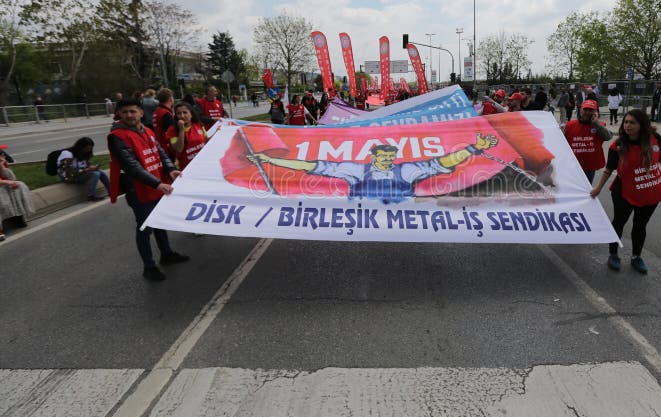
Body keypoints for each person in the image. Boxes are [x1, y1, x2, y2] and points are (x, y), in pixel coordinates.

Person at [247, 133, 499, 204]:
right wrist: (269, 160)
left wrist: (472, 149)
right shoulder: (355, 170)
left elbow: (441, 163)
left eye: (391, 156)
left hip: (403, 219)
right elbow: (309, 165)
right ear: (373, 156)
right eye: (383, 156)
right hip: (360, 217)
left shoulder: (406, 170)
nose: (388, 159)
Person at [107, 98, 189, 281]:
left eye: (133, 111)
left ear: (141, 113)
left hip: (156, 185)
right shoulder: (117, 137)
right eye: (125, 112)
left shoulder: (148, 131)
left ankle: (166, 254)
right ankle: (149, 266)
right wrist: (157, 183)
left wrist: (170, 169)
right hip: (139, 190)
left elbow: (160, 153)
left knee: (160, 221)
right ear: (119, 114)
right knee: (145, 228)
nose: (129, 115)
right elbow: (132, 167)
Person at [590, 109, 661, 274]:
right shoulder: (618, 145)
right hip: (623, 191)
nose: (628, 126)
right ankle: (613, 254)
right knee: (619, 222)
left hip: (649, 190)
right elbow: (608, 169)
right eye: (626, 122)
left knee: (640, 225)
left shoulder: (655, 139)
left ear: (642, 125)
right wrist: (598, 188)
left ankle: (636, 257)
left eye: (632, 123)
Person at [564, 100, 613, 184]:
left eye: (590, 110)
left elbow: (608, 137)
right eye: (585, 109)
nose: (587, 112)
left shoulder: (599, 125)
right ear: (581, 110)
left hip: (590, 166)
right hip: (573, 166)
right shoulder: (569, 125)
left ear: (595, 112)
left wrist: (596, 123)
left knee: (587, 189)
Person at [57, 137, 110, 201]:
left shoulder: (82, 154)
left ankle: (111, 190)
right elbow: (70, 173)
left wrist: (92, 167)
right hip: (68, 177)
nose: (89, 150)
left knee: (99, 171)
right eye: (87, 148)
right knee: (95, 174)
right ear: (81, 147)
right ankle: (91, 195)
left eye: (90, 149)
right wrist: (87, 170)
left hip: (78, 174)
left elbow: (85, 165)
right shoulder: (68, 155)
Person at [0, 146, 34, 241]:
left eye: (3, 155)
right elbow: (7, 181)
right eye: (2, 155)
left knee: (19, 186)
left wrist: (2, 167)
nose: (3, 156)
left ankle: (18, 216)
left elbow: (12, 178)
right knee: (2, 194)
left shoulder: (2, 163)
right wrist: (7, 182)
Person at [167, 101, 207, 169]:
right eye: (179, 113)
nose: (182, 116)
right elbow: (179, 149)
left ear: (191, 114)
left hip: (200, 163)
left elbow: (206, 140)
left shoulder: (198, 124)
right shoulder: (172, 130)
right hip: (184, 167)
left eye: (185, 112)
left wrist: (217, 133)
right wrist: (181, 130)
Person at [152, 88, 175, 156]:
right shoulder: (166, 113)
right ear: (170, 99)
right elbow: (171, 133)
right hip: (167, 148)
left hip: (160, 145)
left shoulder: (157, 111)